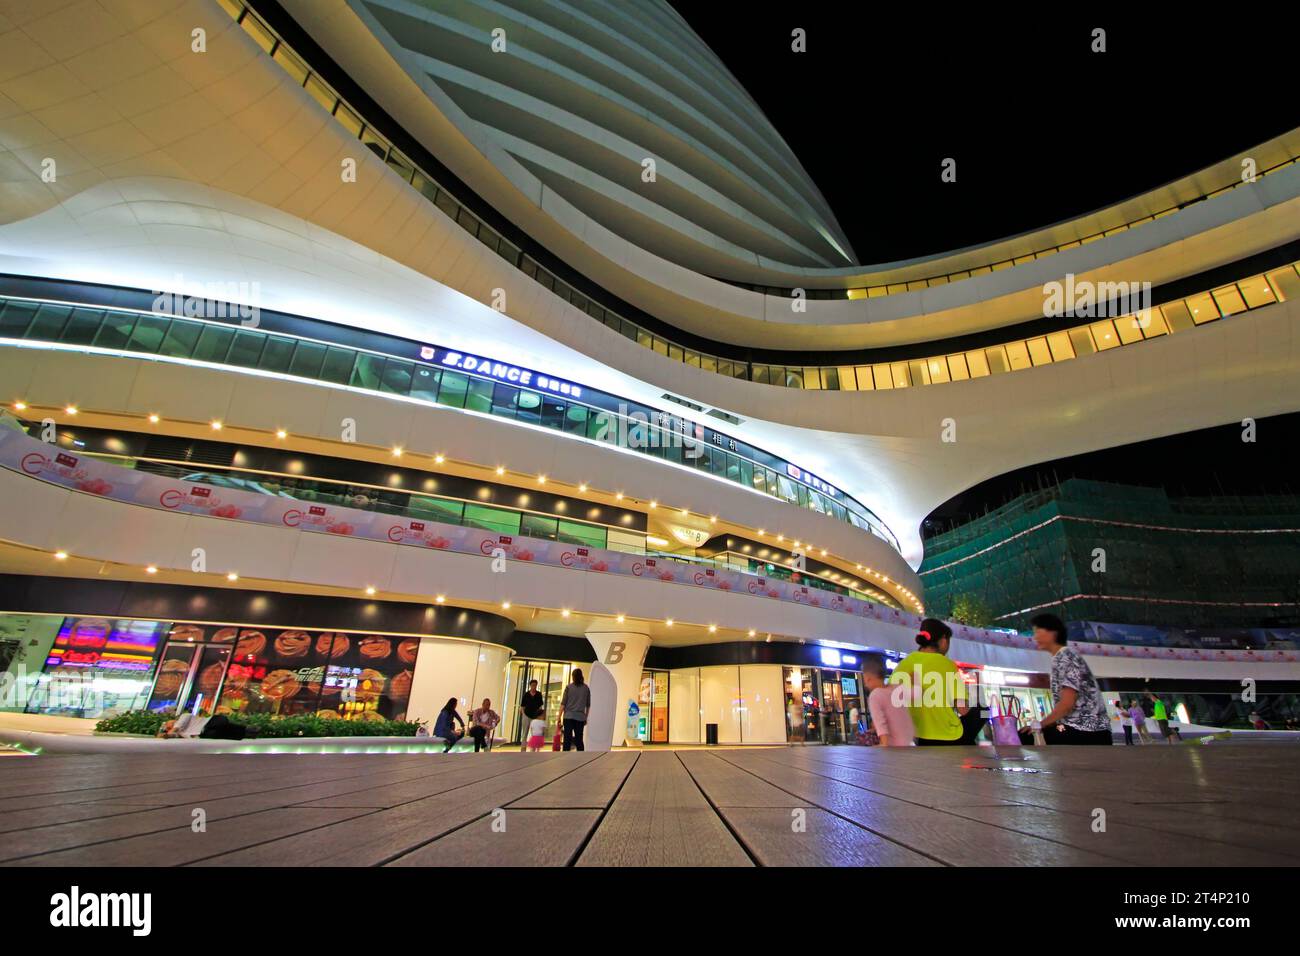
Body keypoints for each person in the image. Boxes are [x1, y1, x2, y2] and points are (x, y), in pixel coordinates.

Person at [1030, 613, 1112, 745]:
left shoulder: (1066, 657)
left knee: (1024, 738)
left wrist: (1040, 724)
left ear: (1053, 633)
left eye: (1038, 632)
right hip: (1084, 730)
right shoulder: (1061, 657)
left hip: (1087, 732)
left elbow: (1067, 705)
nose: (1035, 637)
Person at [889, 618, 968, 745]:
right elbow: (963, 709)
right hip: (948, 735)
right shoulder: (947, 665)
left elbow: (891, 702)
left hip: (914, 737)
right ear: (943, 640)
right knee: (981, 710)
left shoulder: (902, 665)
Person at [864, 657, 914, 746]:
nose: (865, 684)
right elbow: (915, 693)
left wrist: (884, 744)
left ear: (869, 678)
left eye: (865, 680)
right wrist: (912, 680)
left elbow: (881, 724)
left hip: (894, 748)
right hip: (909, 743)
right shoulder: (896, 688)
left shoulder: (875, 696)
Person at [559, 668, 591, 751]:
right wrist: (585, 717)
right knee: (579, 740)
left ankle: (565, 757)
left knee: (567, 739)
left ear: (573, 676)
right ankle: (581, 759)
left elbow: (563, 703)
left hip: (568, 717)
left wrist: (559, 717)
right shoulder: (586, 688)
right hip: (580, 718)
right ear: (581, 676)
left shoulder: (568, 687)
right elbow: (588, 705)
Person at [518, 678, 544, 750]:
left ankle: (533, 749)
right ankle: (523, 748)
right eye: (532, 685)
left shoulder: (539, 694)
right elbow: (522, 706)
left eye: (535, 685)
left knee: (534, 733)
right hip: (526, 715)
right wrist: (523, 714)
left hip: (535, 716)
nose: (534, 687)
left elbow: (540, 706)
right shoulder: (526, 694)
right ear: (530, 686)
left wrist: (539, 716)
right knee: (525, 733)